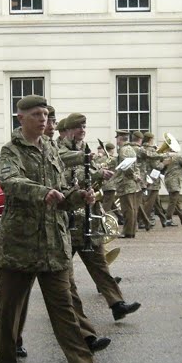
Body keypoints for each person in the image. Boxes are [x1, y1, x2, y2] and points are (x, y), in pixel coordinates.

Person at [0, 95, 118, 363]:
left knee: (64, 308)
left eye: (46, 115)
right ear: (20, 118)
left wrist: (78, 196)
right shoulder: (11, 150)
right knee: (11, 311)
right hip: (20, 244)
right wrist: (43, 192)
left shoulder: (50, 147)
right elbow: (9, 182)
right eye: (36, 114)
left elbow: (62, 191)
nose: (43, 119)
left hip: (54, 243)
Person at [57, 113, 140, 323]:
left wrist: (100, 174)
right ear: (67, 131)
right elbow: (67, 179)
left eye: (84, 126)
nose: (82, 130)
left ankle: (117, 304)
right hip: (69, 219)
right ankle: (64, 311)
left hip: (87, 217)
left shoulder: (83, 149)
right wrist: (95, 174)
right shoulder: (61, 151)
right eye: (78, 127)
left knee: (99, 263)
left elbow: (88, 177)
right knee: (62, 272)